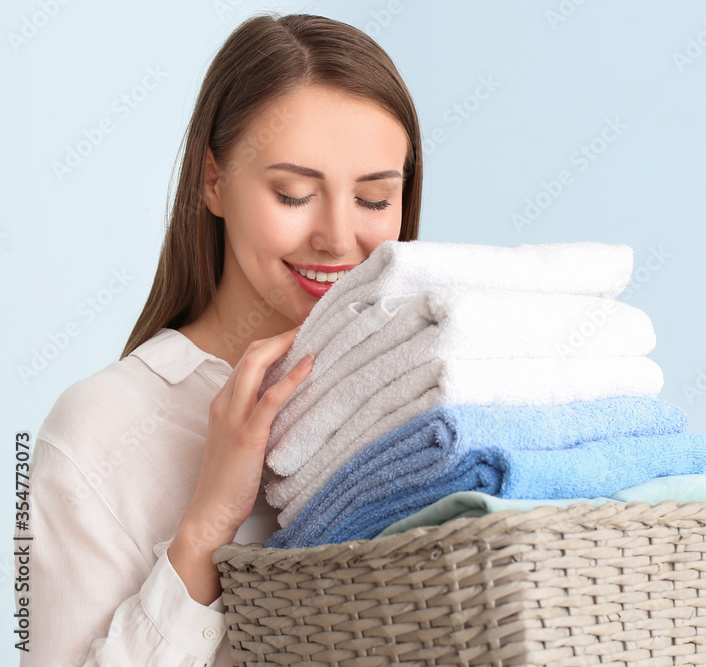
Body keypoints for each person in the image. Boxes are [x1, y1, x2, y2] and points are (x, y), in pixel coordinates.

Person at [19, 12, 422, 666]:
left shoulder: (424, 402)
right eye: (294, 194)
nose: (338, 237)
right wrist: (206, 525)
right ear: (213, 180)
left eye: (375, 199)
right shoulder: (96, 433)